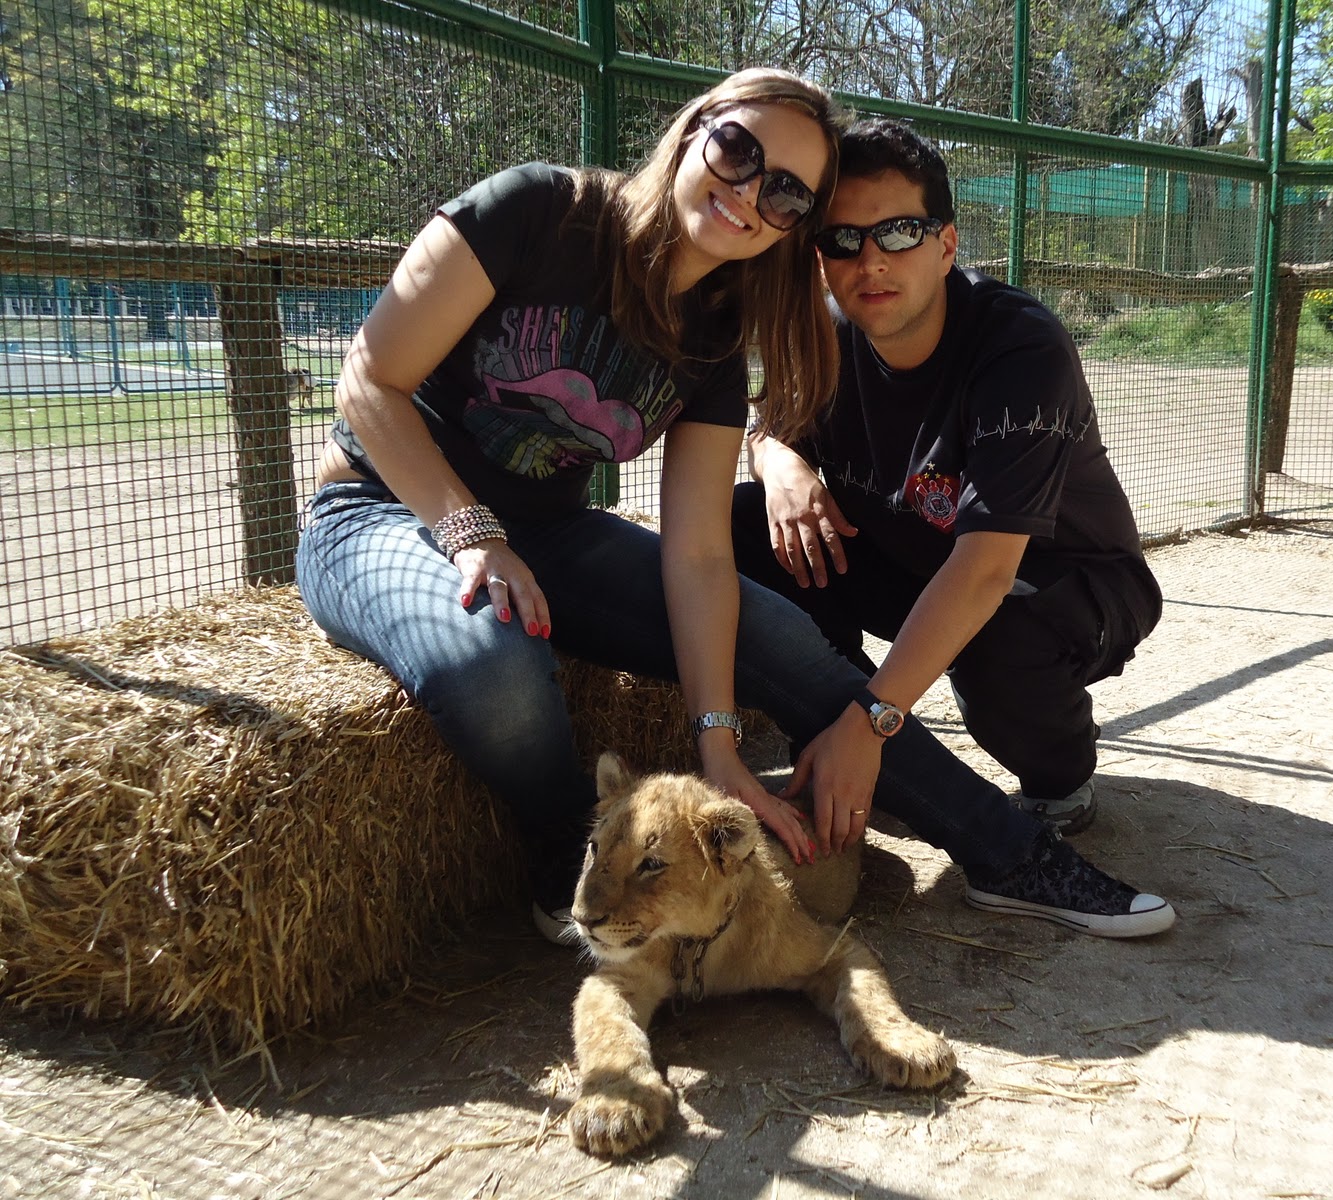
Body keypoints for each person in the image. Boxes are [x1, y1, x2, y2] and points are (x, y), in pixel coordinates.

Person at [297, 69, 848, 939]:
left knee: (777, 633)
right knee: (496, 670)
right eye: (739, 150)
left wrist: (718, 745)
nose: (748, 191)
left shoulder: (712, 337)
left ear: (794, 226)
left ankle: (994, 843)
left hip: (547, 532)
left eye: (784, 191)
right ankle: (576, 850)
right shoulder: (533, 209)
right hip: (375, 509)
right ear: (697, 129)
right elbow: (369, 382)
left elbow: (701, 556)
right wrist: (468, 530)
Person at [732, 119, 1169, 933]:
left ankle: (1059, 777)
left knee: (993, 639)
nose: (871, 261)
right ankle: (829, 745)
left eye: (899, 231)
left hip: (1066, 584)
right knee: (742, 524)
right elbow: (767, 424)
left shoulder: (1018, 346)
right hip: (915, 563)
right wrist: (778, 462)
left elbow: (984, 573)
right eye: (844, 239)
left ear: (945, 244)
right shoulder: (829, 334)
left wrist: (874, 719)